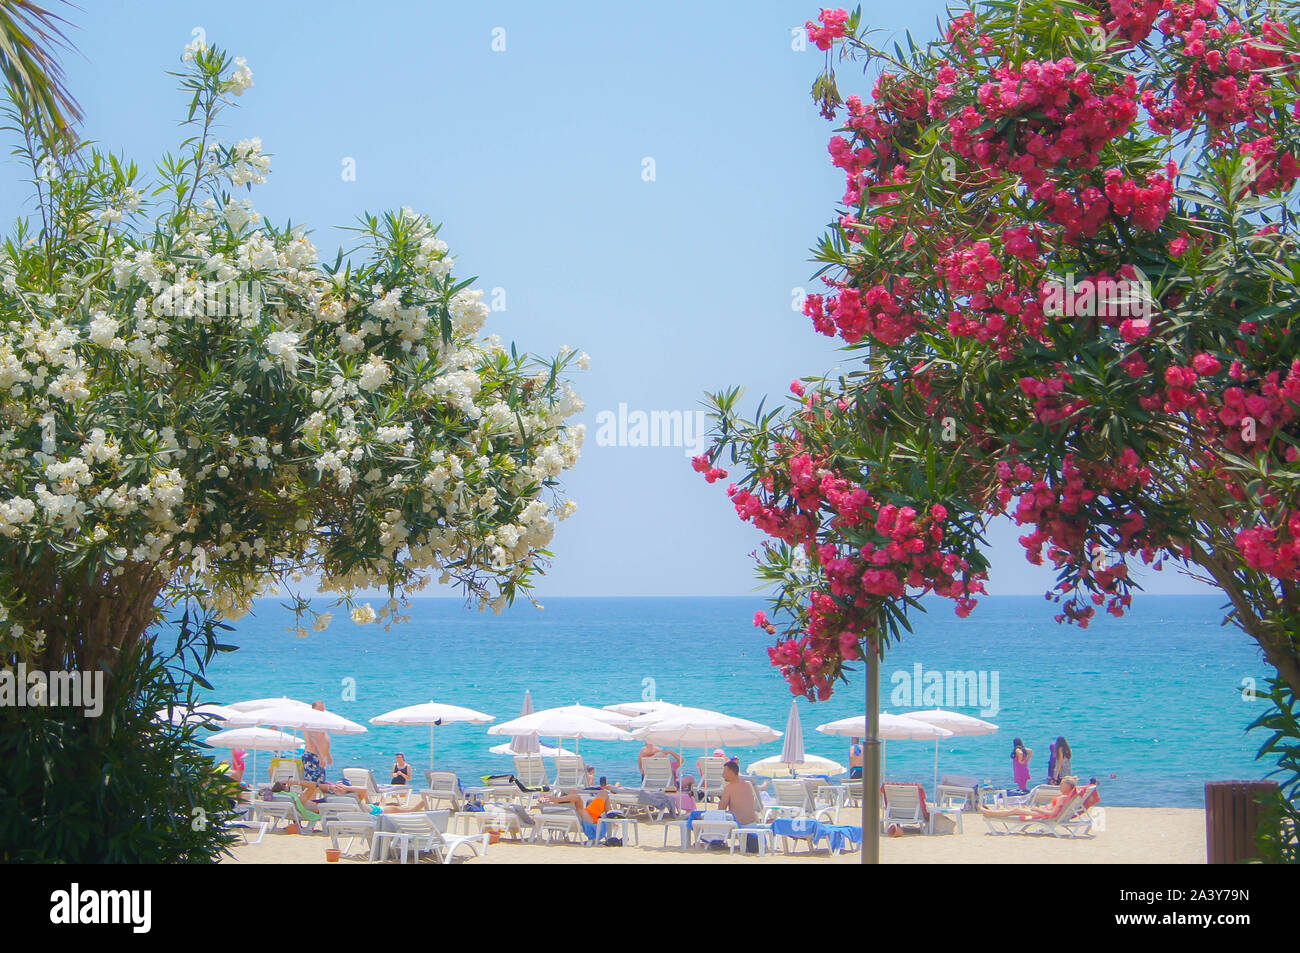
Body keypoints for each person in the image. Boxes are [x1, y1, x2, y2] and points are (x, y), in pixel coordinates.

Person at [978, 777, 1083, 819]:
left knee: (1016, 810)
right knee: (1015, 809)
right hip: (1042, 811)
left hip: (1042, 814)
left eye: (1062, 784)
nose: (1060, 786)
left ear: (1068, 786)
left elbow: (1051, 813)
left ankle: (989, 813)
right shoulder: (1065, 797)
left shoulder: (1063, 798)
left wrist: (1037, 809)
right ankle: (993, 812)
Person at [540, 778, 613, 825]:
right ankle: (611, 818)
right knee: (604, 793)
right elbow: (577, 797)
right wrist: (556, 799)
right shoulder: (579, 809)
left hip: (587, 813)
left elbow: (574, 797)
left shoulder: (558, 809)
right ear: (571, 801)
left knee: (574, 791)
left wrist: (553, 799)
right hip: (591, 817)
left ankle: (611, 815)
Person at [302, 700, 332, 802]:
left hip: (320, 757)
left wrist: (328, 754)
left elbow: (323, 739)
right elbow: (313, 740)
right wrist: (320, 756)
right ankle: (309, 804)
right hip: (312, 755)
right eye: (319, 709)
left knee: (319, 784)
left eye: (322, 710)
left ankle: (312, 803)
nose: (321, 712)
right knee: (312, 784)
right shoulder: (311, 722)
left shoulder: (320, 721)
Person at [718, 760, 759, 826]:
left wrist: (720, 803)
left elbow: (721, 810)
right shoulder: (747, 785)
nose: (723, 775)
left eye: (724, 772)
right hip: (753, 825)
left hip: (740, 828)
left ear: (730, 772)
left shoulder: (729, 788)